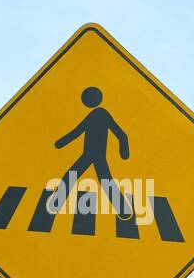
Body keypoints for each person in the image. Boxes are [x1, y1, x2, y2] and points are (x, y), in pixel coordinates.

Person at [50, 86, 133, 219]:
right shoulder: (99, 114)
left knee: (73, 176)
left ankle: (55, 204)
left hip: (94, 155)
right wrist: (59, 144)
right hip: (90, 155)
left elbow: (121, 134)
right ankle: (124, 210)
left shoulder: (99, 114)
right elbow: (121, 135)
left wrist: (124, 151)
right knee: (101, 181)